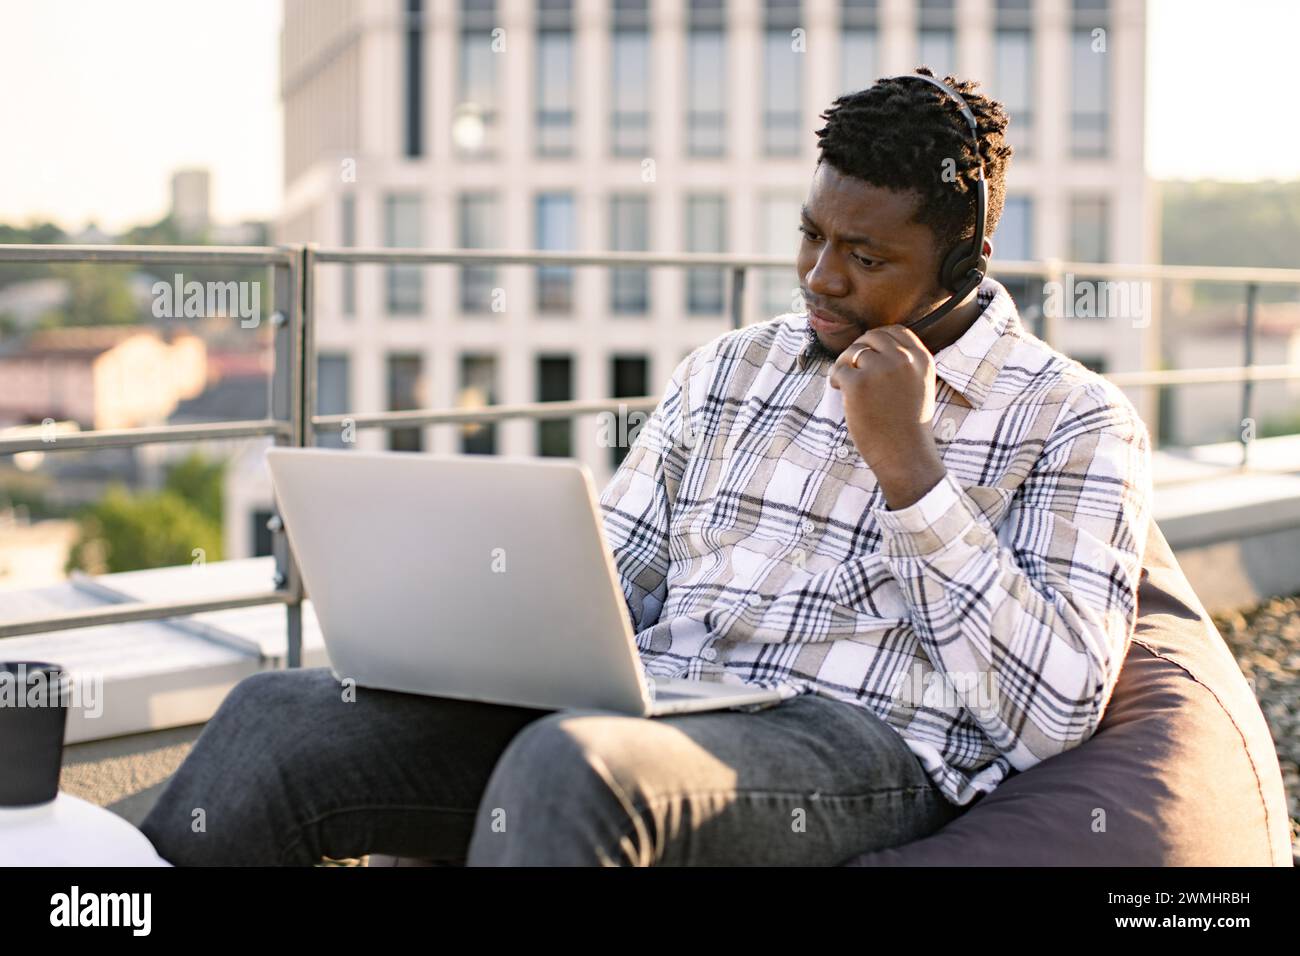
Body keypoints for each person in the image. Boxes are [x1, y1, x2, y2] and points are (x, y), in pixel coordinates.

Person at [139, 68, 1152, 866]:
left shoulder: (1072, 418)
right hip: (656, 705)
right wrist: (446, 621)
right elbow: (611, 582)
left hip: (862, 746)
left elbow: (1051, 711)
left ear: (964, 259)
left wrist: (912, 471)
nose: (819, 275)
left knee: (574, 768)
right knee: (275, 718)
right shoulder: (729, 367)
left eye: (865, 255)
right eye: (809, 234)